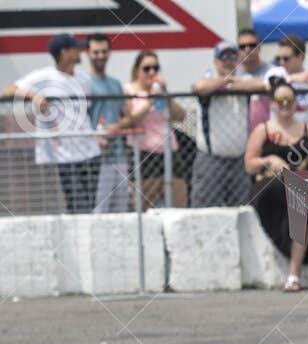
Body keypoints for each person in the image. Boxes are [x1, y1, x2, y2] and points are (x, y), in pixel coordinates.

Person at [245, 77, 308, 292]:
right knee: (284, 180)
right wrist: (269, 161)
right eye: (280, 100)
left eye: (289, 99)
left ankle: (294, 276)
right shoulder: (263, 130)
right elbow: (249, 164)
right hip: (268, 191)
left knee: (297, 213)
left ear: (296, 102)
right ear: (272, 104)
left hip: (300, 195)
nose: (285, 104)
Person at [1, 34, 100, 214]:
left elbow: (88, 111)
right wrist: (34, 96)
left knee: (90, 204)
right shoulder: (44, 76)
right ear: (64, 53)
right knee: (78, 204)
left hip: (90, 150)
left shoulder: (85, 78)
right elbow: (8, 91)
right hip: (65, 154)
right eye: (75, 48)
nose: (80, 52)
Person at [191, 40, 266, 207]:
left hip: (239, 159)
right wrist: (225, 81)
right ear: (216, 61)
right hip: (211, 159)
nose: (228, 60)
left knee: (241, 209)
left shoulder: (244, 79)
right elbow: (200, 87)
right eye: (224, 57)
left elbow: (261, 84)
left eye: (233, 56)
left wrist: (232, 82)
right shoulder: (209, 78)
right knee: (206, 208)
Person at [120, 50, 189, 208]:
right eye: (146, 68)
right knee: (144, 207)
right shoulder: (129, 90)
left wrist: (165, 95)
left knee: (178, 203)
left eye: (155, 68)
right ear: (137, 70)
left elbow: (181, 116)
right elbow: (131, 120)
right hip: (143, 153)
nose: (151, 72)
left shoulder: (160, 91)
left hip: (169, 150)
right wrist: (150, 100)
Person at [83, 34, 130, 213]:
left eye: (104, 51)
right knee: (99, 211)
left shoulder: (115, 84)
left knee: (121, 210)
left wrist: (117, 127)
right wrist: (95, 136)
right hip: (97, 160)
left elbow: (128, 116)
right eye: (96, 52)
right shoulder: (84, 83)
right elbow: (80, 119)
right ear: (88, 53)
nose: (100, 56)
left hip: (120, 157)